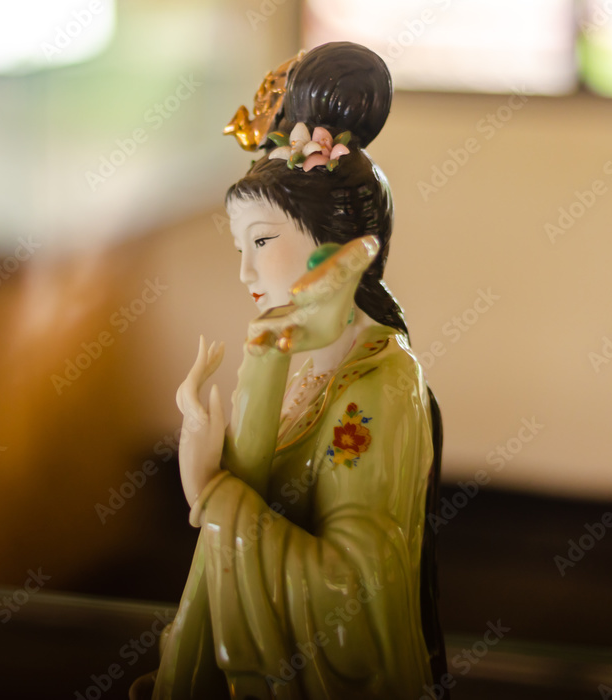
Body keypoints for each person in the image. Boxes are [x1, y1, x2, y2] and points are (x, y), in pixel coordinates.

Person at [132, 42, 447, 700]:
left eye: (264, 242)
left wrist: (213, 499)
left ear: (340, 253)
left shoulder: (383, 385)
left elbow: (357, 600)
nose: (246, 272)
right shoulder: (307, 359)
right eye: (239, 247)